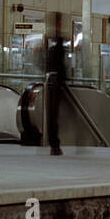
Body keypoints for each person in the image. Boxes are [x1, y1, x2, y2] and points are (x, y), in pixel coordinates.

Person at [45, 21, 67, 156]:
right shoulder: (59, 51)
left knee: (51, 115)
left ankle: (53, 144)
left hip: (50, 84)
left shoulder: (50, 51)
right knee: (54, 115)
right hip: (57, 85)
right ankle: (55, 145)